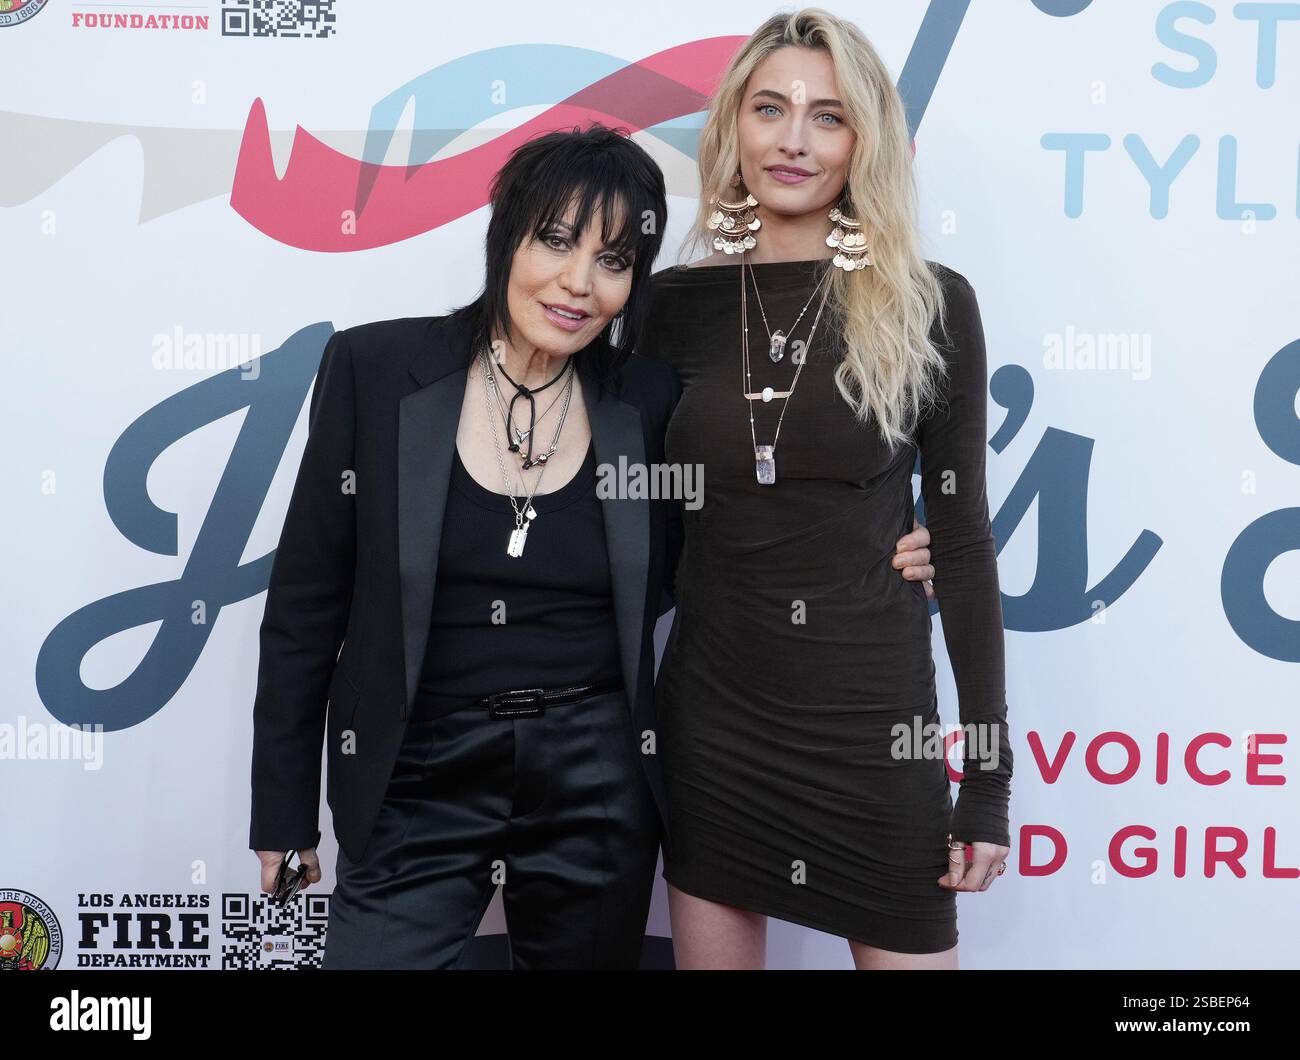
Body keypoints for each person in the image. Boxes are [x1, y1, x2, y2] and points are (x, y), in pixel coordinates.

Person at [248, 122, 937, 969]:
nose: (579, 283)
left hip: (596, 774)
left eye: (614, 260)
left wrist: (881, 544)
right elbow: (305, 607)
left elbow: (731, 532)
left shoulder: (644, 400)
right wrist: (282, 814)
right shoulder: (376, 368)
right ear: (506, 237)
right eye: (556, 240)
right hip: (415, 772)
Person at [641, 8, 1013, 970]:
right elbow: (630, 528)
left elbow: (963, 543)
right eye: (771, 109)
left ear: (865, 142)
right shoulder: (667, 309)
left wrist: (986, 780)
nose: (794, 140)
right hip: (713, 720)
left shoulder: (931, 303)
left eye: (829, 116)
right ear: (733, 127)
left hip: (870, 723)